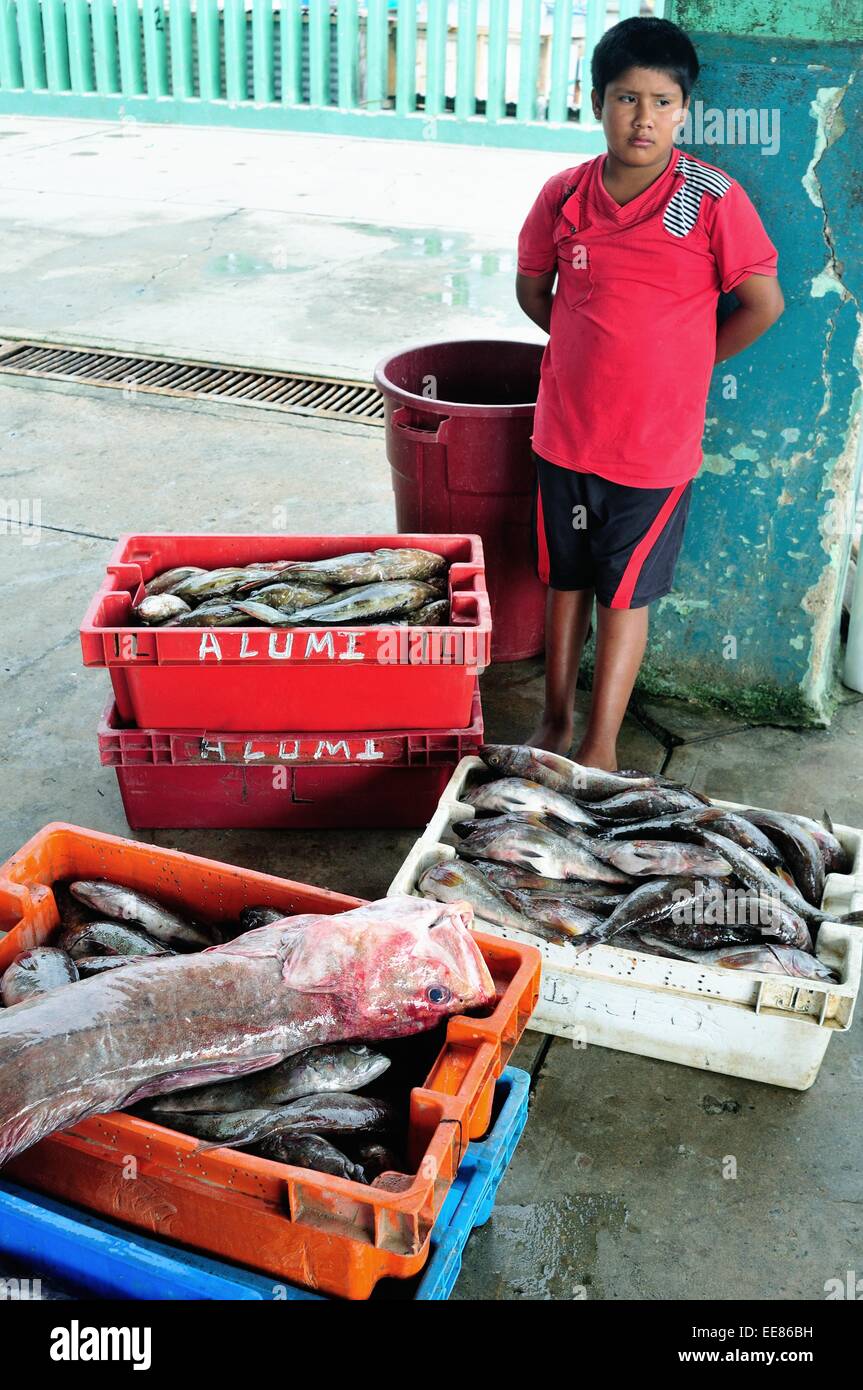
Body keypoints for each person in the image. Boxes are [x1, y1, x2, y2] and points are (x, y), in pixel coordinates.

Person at [516, 16, 784, 770]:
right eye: (626, 98)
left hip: (651, 450)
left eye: (662, 101)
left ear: (684, 109)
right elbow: (534, 290)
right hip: (563, 434)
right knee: (562, 582)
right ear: (595, 101)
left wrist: (683, 364)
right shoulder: (564, 194)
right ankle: (556, 723)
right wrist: (583, 346)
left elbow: (762, 305)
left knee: (623, 596)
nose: (644, 118)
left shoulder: (707, 197)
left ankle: (600, 746)